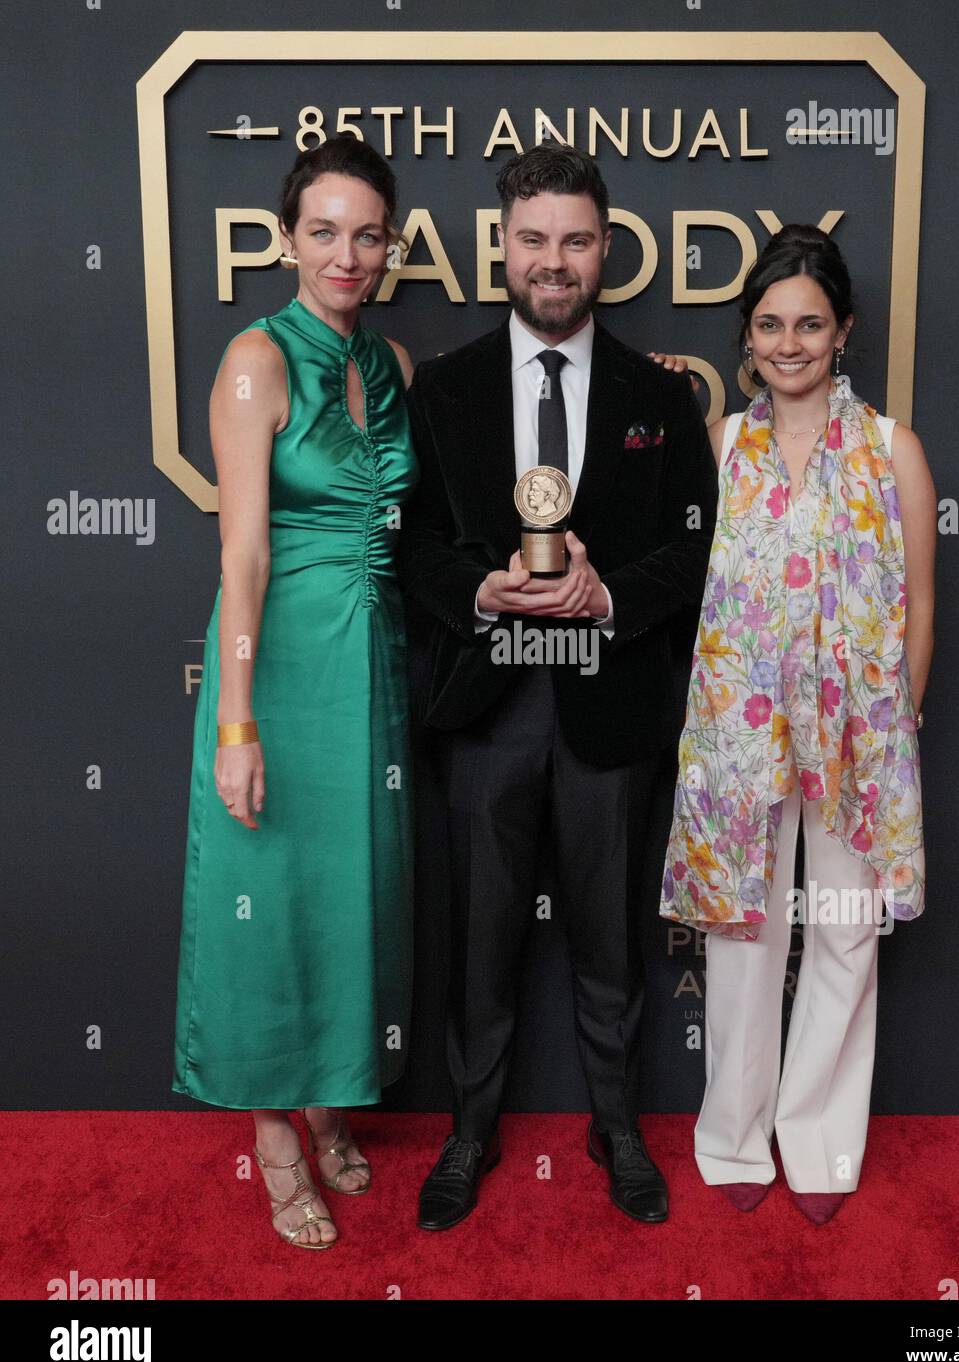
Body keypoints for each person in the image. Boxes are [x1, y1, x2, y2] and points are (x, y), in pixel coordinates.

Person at [397, 144, 718, 1230]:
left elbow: (689, 551)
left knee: (610, 936)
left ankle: (615, 1124)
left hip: (607, 704)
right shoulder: (438, 389)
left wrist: (604, 598)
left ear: (604, 249)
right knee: (479, 938)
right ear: (501, 245)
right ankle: (470, 1130)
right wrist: (483, 590)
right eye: (532, 239)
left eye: (574, 240)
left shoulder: (659, 397)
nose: (552, 260)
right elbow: (411, 544)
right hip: (487, 707)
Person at [660, 225, 936, 1224]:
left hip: (858, 735)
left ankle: (818, 1141)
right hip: (738, 731)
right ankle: (731, 1138)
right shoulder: (720, 446)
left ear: (842, 331)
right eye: (770, 324)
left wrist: (894, 729)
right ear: (746, 337)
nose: (789, 343)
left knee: (841, 931)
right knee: (741, 927)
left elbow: (917, 609)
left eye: (809, 324)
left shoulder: (889, 447)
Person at [172, 136, 418, 1249]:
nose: (346, 253)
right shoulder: (253, 359)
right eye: (323, 230)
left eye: (366, 233)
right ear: (285, 240)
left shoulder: (393, 366)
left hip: (369, 667)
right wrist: (235, 721)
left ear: (389, 246)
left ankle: (326, 1102)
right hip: (276, 664)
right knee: (265, 902)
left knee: (345, 896)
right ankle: (274, 1136)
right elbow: (243, 557)